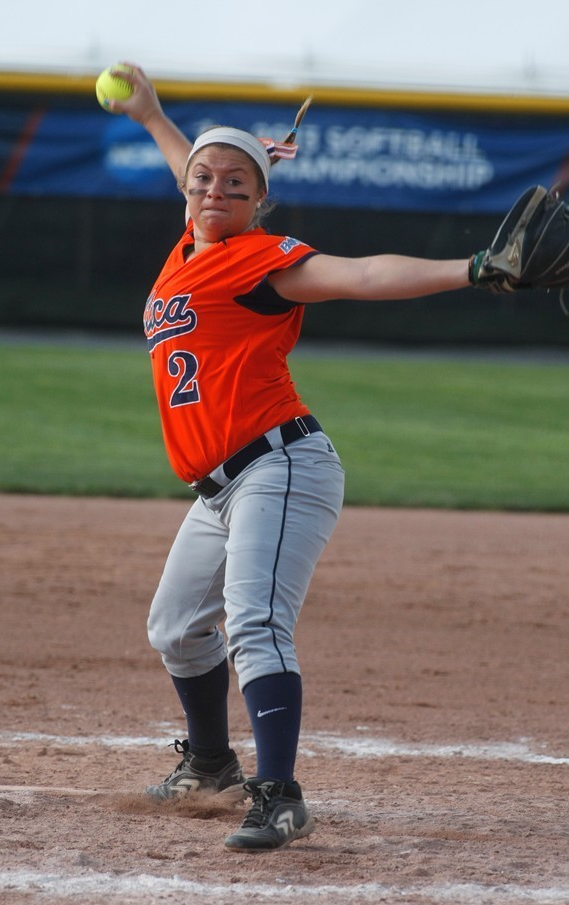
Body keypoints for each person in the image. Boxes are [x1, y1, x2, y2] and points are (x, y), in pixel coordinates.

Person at [106, 64, 473, 852]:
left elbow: (366, 275)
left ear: (259, 200)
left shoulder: (259, 258)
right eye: (203, 179)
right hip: (216, 490)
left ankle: (278, 797)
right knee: (174, 629)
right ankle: (209, 763)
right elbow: (195, 166)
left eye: (236, 183)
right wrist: (151, 114)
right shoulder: (190, 245)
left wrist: (471, 270)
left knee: (255, 623)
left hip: (280, 466)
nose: (214, 189)